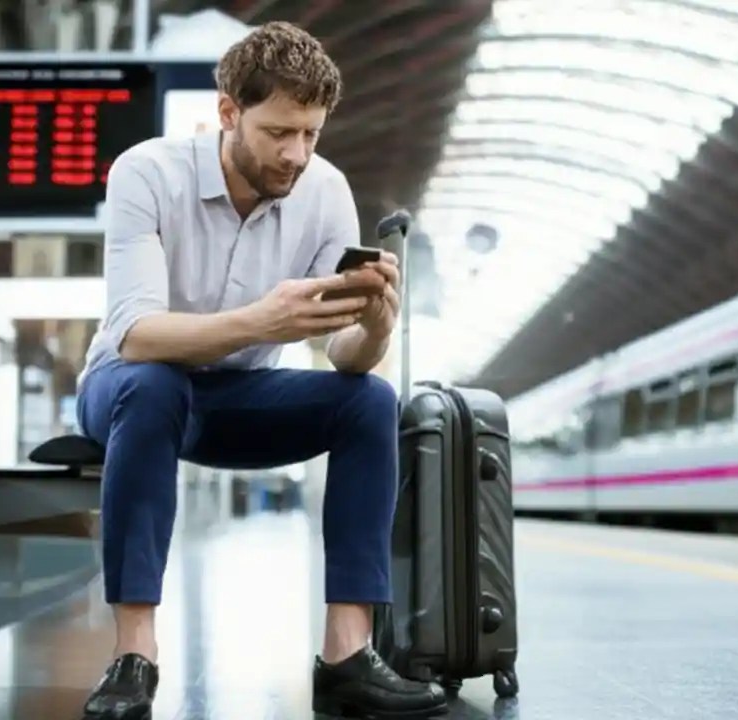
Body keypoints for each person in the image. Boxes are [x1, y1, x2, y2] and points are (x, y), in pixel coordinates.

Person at [75, 20, 447, 720]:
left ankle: (346, 656)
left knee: (370, 399)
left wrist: (373, 325)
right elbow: (136, 335)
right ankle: (134, 657)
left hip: (238, 395)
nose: (296, 153)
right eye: (279, 131)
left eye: (309, 133)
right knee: (155, 385)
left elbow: (340, 359)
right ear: (227, 113)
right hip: (125, 386)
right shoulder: (146, 173)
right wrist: (259, 323)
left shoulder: (326, 191)